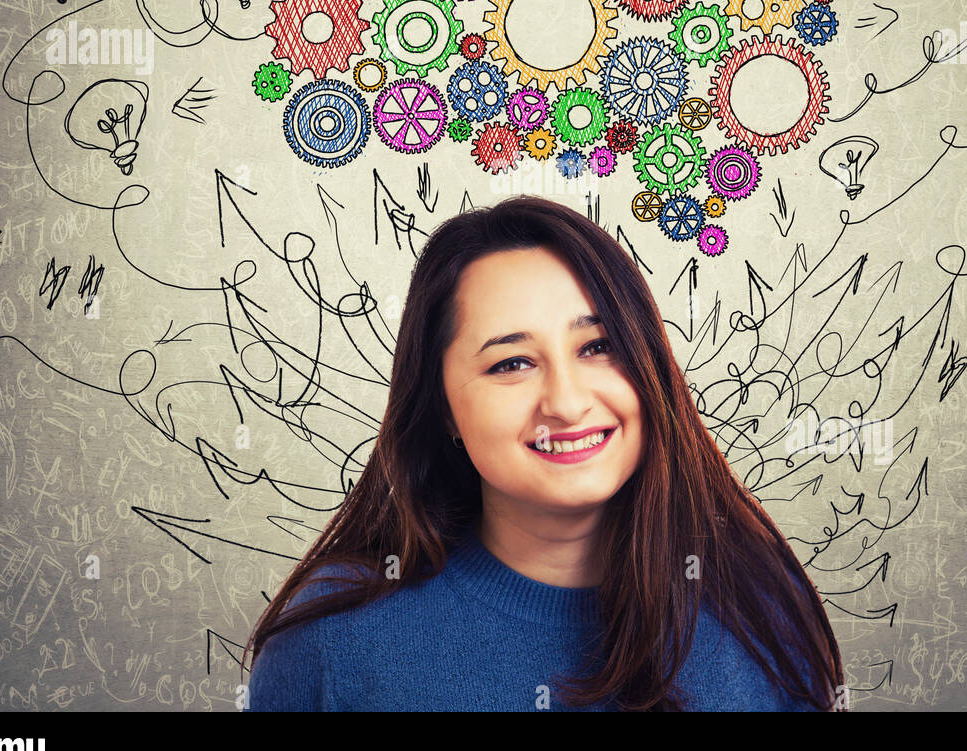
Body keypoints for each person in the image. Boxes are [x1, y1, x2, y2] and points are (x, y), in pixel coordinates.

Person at [244, 194, 842, 711]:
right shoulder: (331, 640)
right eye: (512, 363)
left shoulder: (757, 599)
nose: (566, 402)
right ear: (444, 408)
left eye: (598, 346)